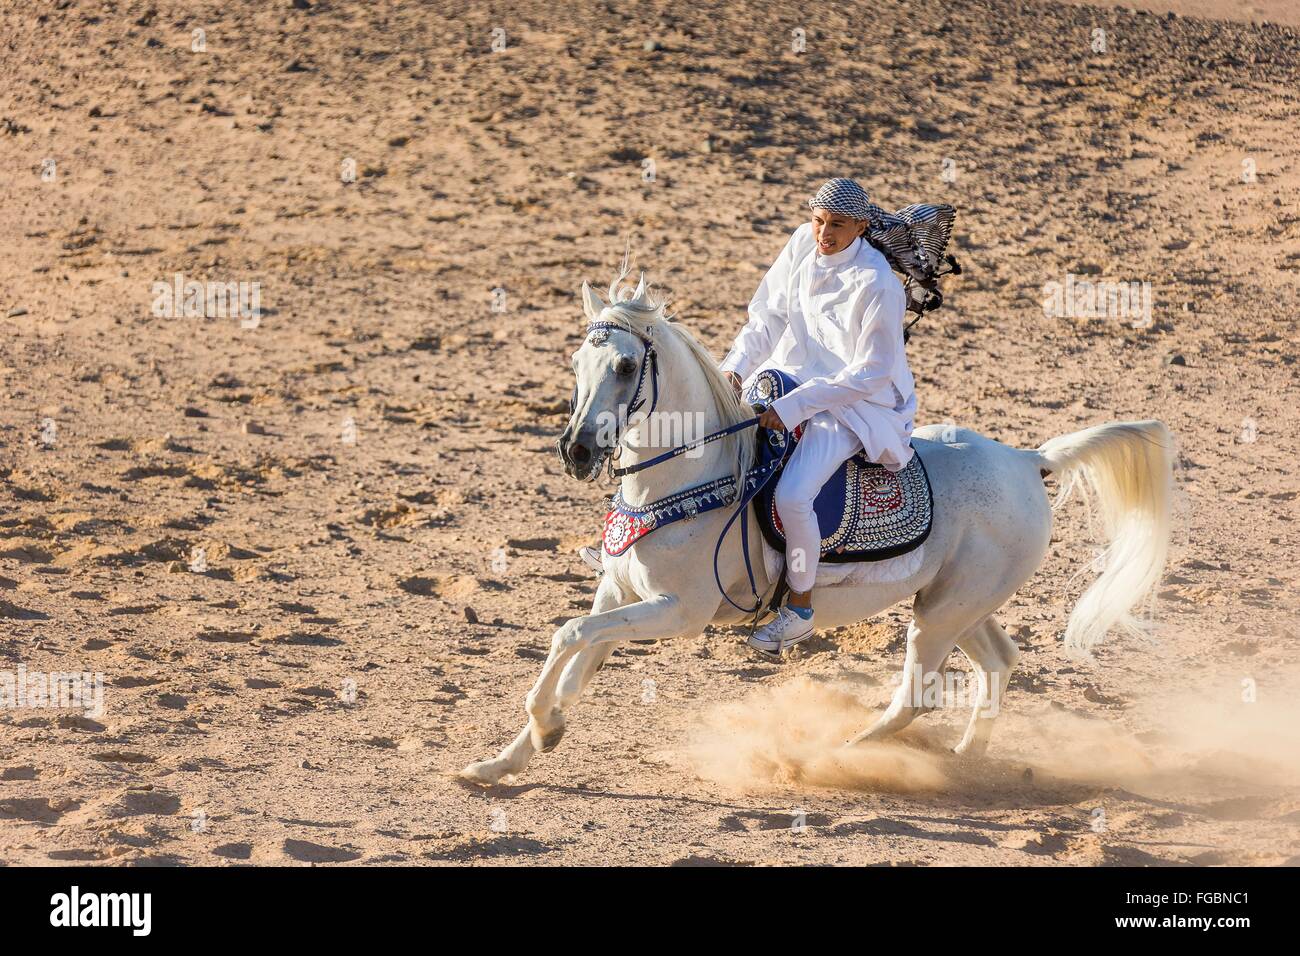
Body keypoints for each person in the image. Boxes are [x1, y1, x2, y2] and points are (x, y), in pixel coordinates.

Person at [720, 178, 917, 654]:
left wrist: (792, 408)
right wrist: (734, 369)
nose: (824, 234)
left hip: (854, 406)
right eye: (818, 221)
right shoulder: (800, 244)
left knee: (793, 496)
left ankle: (800, 611)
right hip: (782, 377)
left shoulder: (878, 284)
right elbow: (767, 317)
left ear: (862, 227)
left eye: (838, 225)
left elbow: (869, 373)